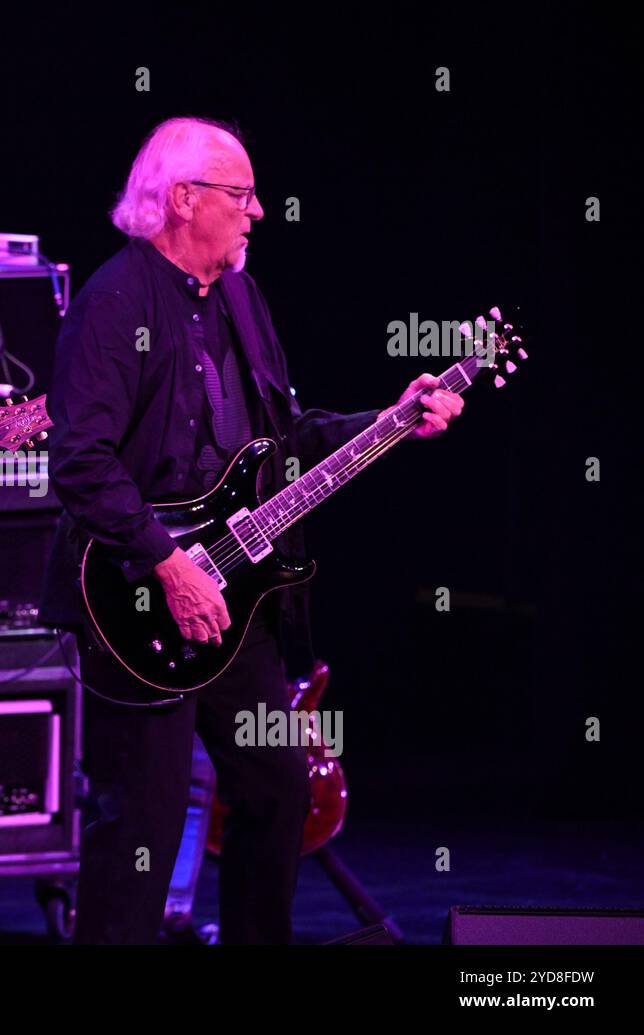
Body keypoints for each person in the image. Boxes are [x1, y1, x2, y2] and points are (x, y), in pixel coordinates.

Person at [42, 117, 463, 944]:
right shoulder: (113, 302)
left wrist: (390, 420)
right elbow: (81, 459)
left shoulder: (239, 293)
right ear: (183, 199)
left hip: (238, 603)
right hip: (136, 602)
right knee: (143, 829)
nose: (259, 211)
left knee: (278, 788)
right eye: (241, 195)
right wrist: (169, 564)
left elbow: (288, 434)